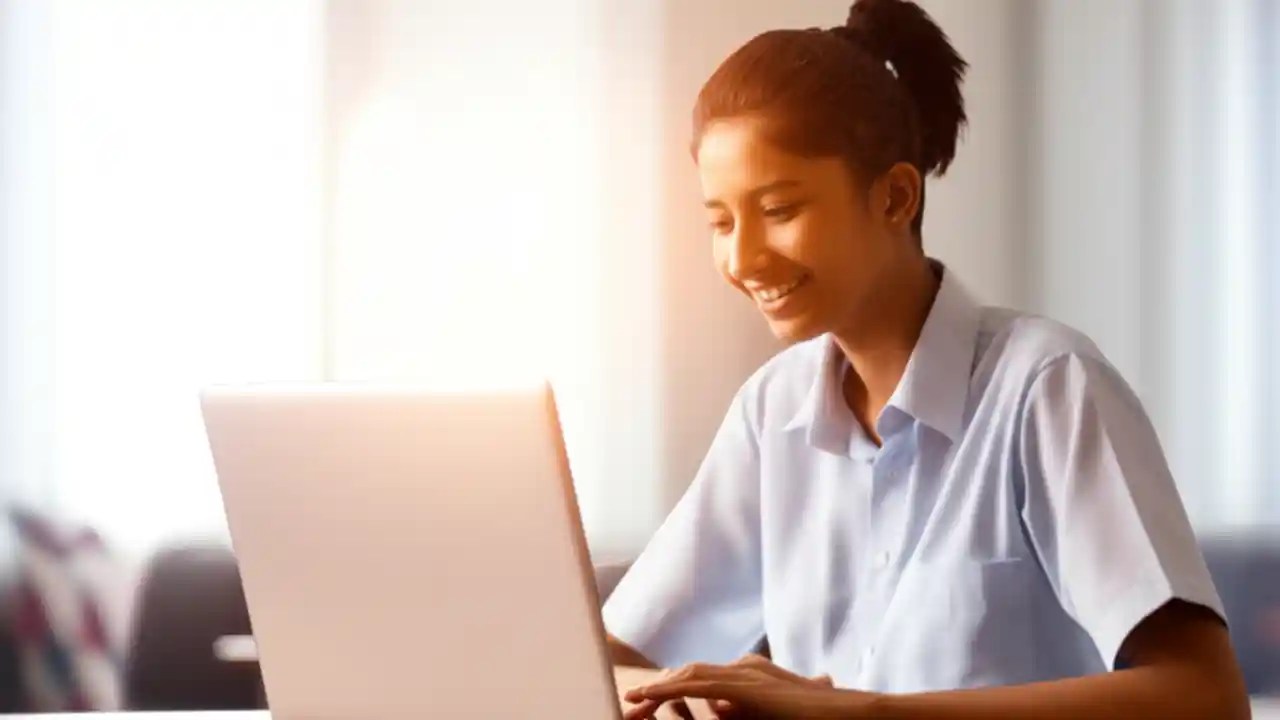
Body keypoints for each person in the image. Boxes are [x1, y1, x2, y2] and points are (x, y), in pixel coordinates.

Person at [600, 1, 1250, 718]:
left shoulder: (1045, 388)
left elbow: (1205, 699)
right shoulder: (773, 411)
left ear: (895, 196)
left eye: (780, 210)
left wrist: (870, 714)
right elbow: (616, 659)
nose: (742, 258)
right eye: (721, 221)